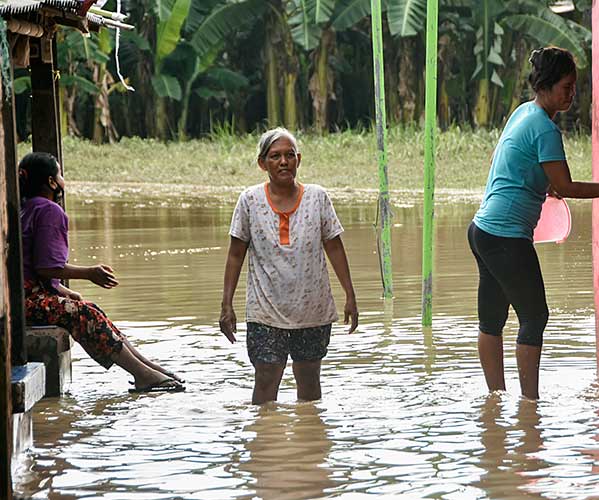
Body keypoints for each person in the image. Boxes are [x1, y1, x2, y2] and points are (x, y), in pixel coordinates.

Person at [468, 47, 599, 400]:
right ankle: (530, 404)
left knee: (492, 320)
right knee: (535, 317)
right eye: (566, 86)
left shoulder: (523, 113)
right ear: (546, 85)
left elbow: (512, 163)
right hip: (506, 235)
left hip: (482, 230)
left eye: (574, 86)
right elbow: (566, 186)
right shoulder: (545, 129)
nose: (571, 93)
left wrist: (541, 184)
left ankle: (495, 400)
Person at [19, 152, 185, 393]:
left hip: (25, 298)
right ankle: (143, 374)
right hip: (28, 303)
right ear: (52, 182)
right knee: (85, 314)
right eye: (60, 175)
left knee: (90, 307)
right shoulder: (49, 210)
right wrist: (90, 273)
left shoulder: (27, 209)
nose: (63, 180)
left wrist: (65, 291)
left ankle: (148, 367)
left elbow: (33, 269)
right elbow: (46, 267)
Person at [219, 127, 358, 405]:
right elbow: (236, 254)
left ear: (299, 160)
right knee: (266, 380)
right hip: (265, 311)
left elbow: (334, 246)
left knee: (309, 381)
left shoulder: (317, 197)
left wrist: (350, 296)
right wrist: (227, 305)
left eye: (289, 155)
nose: (283, 162)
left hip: (312, 311)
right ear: (262, 163)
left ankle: (311, 444)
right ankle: (265, 443)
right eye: (275, 156)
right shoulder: (249, 201)